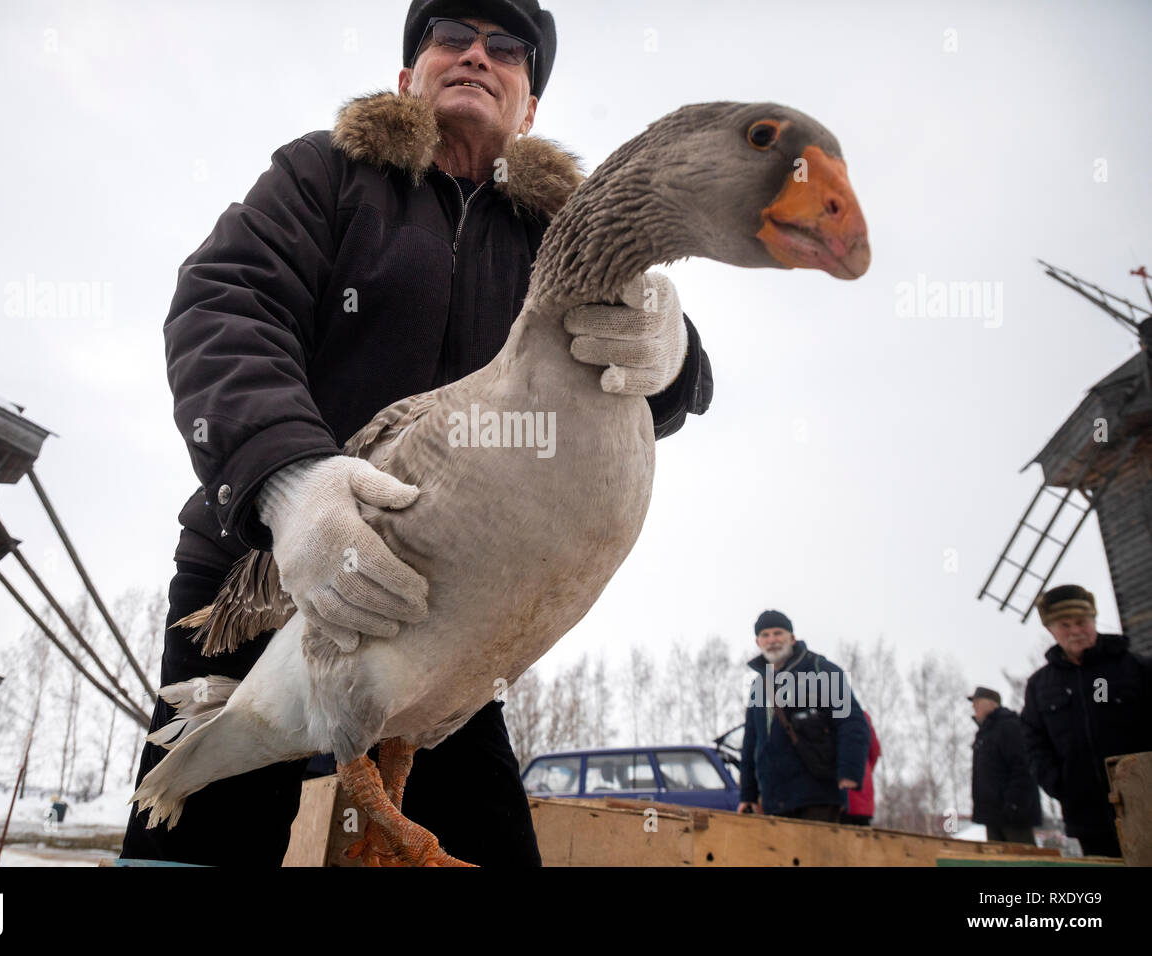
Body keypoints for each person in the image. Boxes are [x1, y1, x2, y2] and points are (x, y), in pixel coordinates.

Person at [121, 0, 713, 866]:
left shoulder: (562, 233)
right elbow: (226, 307)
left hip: (453, 619)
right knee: (198, 838)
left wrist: (674, 354)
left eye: (507, 48)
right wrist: (290, 484)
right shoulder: (324, 174)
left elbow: (654, 396)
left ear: (530, 105)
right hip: (262, 579)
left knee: (482, 848)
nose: (477, 53)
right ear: (409, 75)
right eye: (452, 36)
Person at [1020, 584, 1152, 858]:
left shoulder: (1136, 669)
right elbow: (1033, 741)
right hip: (1088, 819)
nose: (1075, 631)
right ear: (1050, 630)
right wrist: (1060, 785)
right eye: (1064, 625)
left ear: (1094, 619)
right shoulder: (1040, 686)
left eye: (1081, 622)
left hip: (1146, 806)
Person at [737, 610, 869, 822]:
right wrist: (748, 794)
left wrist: (849, 772)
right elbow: (751, 742)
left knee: (818, 855)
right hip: (774, 799)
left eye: (778, 633)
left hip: (818, 795)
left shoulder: (821, 671)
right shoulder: (759, 685)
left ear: (792, 637)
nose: (772, 640)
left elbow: (852, 723)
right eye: (765, 635)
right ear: (758, 642)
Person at [968, 686, 1040, 845]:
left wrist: (1015, 804)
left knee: (1022, 859)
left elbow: (1023, 767)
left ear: (992, 703)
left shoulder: (1008, 726)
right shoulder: (985, 733)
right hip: (993, 815)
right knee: (997, 860)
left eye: (977, 702)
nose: (974, 707)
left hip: (1013, 815)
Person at [841, 710, 880, 826]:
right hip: (864, 801)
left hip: (842, 801)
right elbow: (875, 750)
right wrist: (864, 771)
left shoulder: (829, 713)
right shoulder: (862, 716)